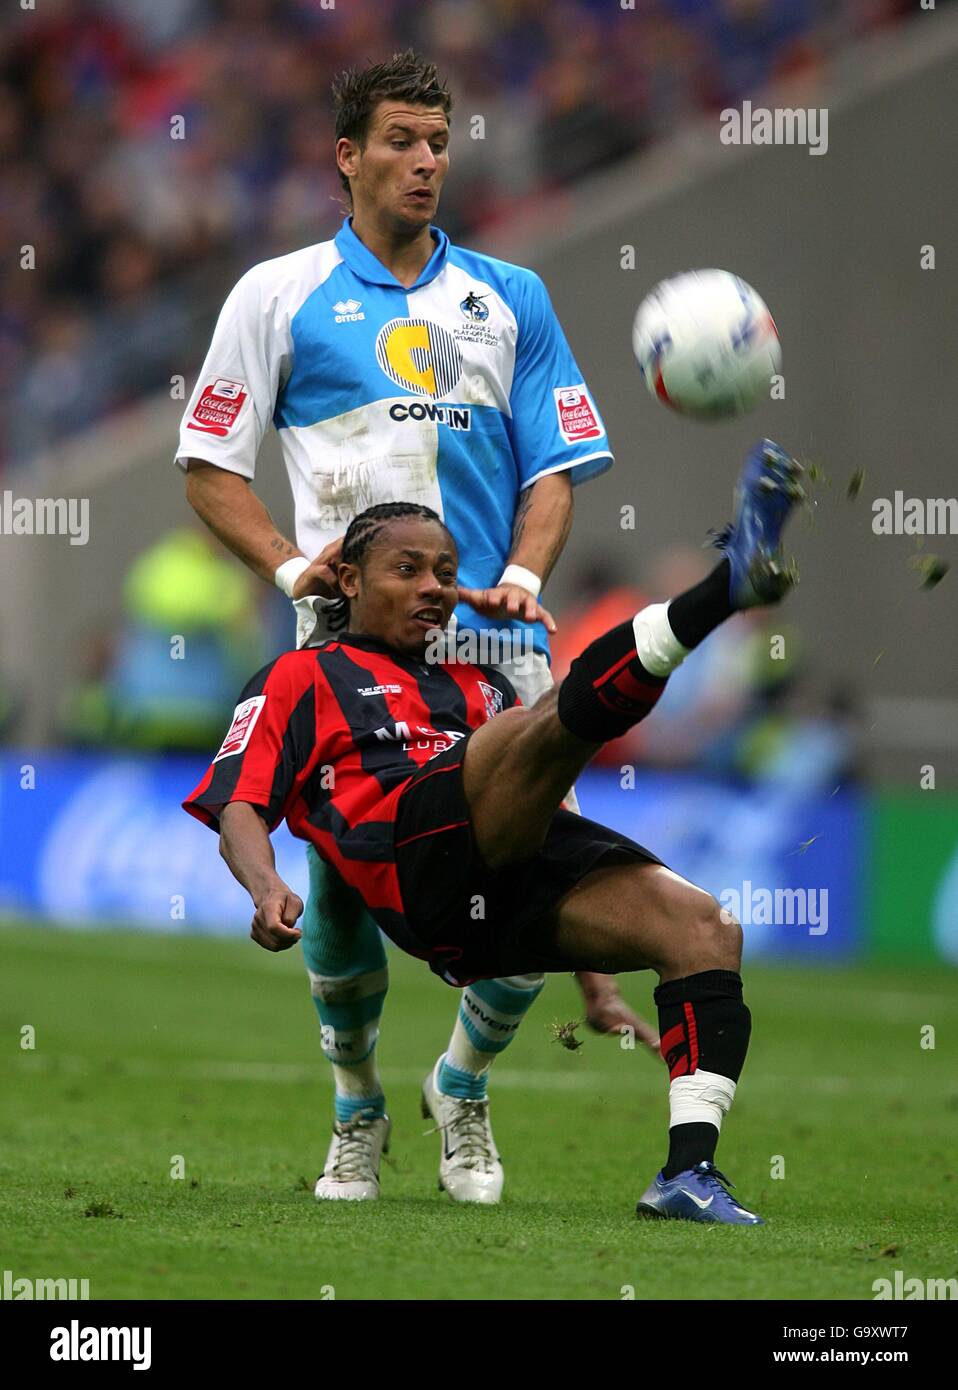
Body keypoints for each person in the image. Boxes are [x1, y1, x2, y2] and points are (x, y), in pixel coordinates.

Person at [176, 49, 657, 1206]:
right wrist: (300, 567)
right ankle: (357, 1109)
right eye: (399, 140)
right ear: (348, 157)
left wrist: (526, 579)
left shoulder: (513, 298)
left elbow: (557, 466)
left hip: (493, 645)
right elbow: (207, 464)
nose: (425, 161)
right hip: (343, 647)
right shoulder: (276, 294)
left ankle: (464, 1086)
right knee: (342, 895)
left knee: (526, 897)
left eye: (439, 142)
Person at [184, 439, 807, 1224]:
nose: (434, 588)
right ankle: (724, 590)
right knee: (543, 721)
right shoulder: (299, 676)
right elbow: (239, 802)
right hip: (414, 866)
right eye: (406, 570)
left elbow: (539, 797)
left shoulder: (479, 683)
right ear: (347, 579)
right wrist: (266, 883)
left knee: (705, 930)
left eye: (445, 572)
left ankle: (688, 1175)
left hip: (501, 882)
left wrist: (594, 977)